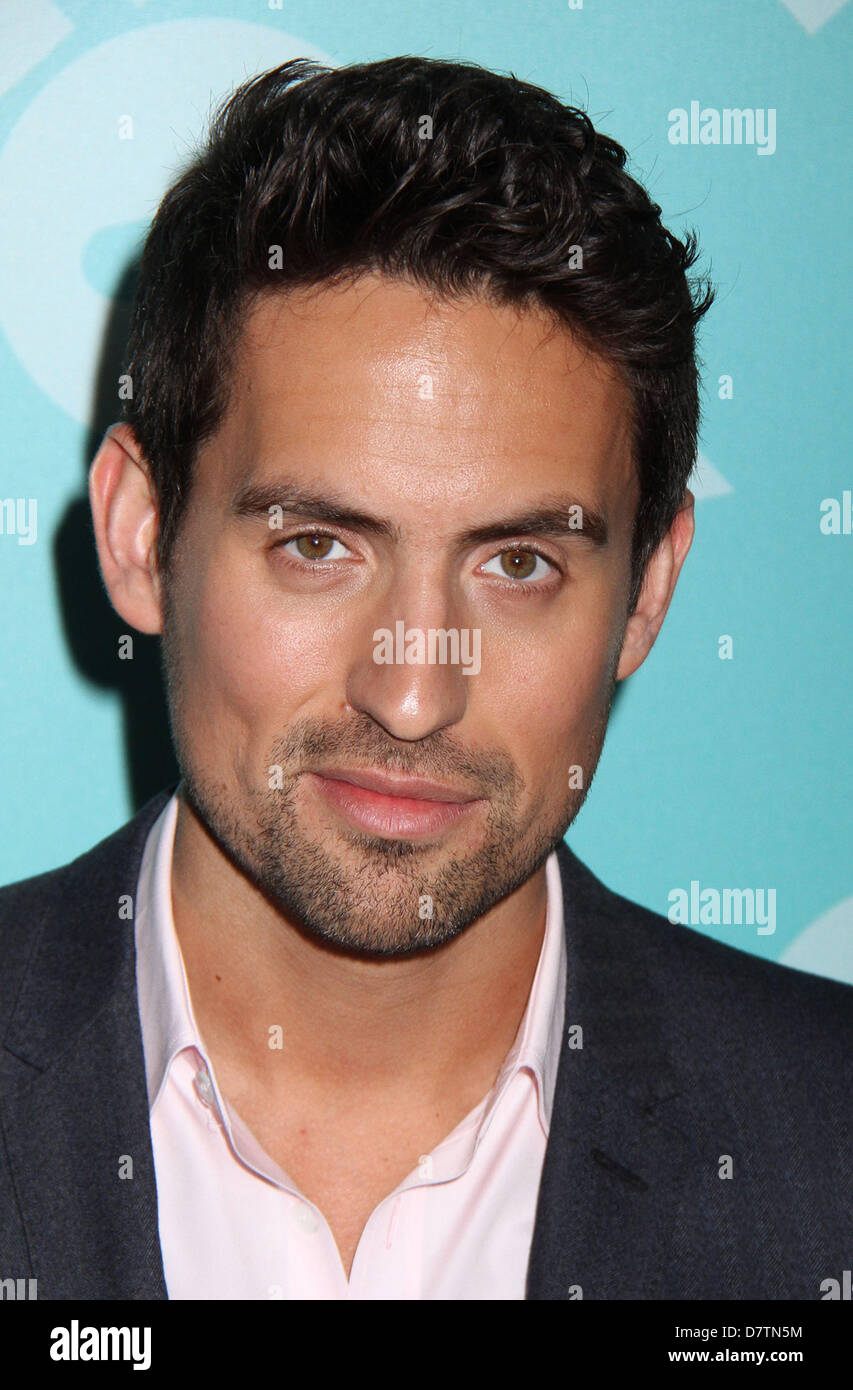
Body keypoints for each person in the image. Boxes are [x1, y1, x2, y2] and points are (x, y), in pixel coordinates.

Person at [0, 56, 849, 1302]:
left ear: (647, 596)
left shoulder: (824, 1155)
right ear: (139, 536)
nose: (410, 696)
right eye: (318, 547)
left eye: (517, 563)